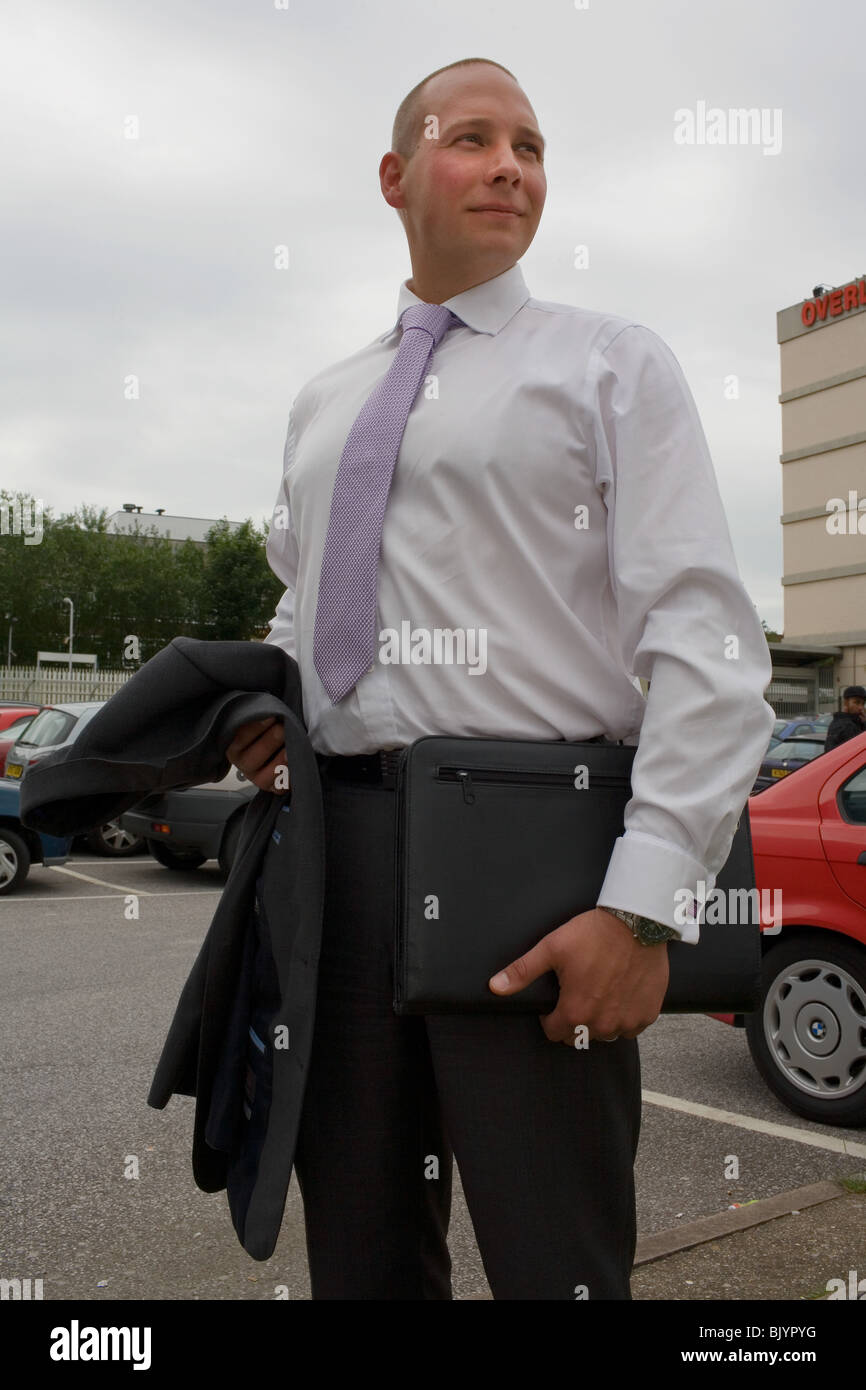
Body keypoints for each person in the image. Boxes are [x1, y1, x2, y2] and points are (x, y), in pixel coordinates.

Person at [225, 56, 775, 1300]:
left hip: (539, 872)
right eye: (470, 138)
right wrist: (274, 704)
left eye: (529, 147)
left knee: (556, 1264)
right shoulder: (325, 401)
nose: (510, 166)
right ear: (394, 175)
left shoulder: (610, 366)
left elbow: (708, 649)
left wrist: (640, 907)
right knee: (359, 1256)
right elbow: (300, 596)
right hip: (341, 865)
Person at [824, 685, 866, 752]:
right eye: (857, 702)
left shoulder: (854, 723)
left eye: (863, 704)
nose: (861, 707)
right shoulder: (845, 726)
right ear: (846, 703)